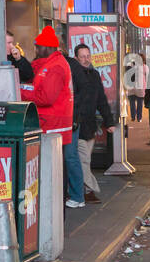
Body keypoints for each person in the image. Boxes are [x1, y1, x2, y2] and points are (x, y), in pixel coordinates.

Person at [22, 25, 83, 207]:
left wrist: (21, 92)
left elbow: (45, 97)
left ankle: (59, 203)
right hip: (53, 122)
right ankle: (59, 202)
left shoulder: (55, 67)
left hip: (53, 124)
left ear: (45, 48)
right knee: (57, 166)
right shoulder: (53, 64)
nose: (35, 50)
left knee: (55, 167)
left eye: (37, 47)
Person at [70, 43, 115, 204]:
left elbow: (101, 100)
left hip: (89, 127)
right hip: (77, 126)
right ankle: (89, 190)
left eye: (88, 56)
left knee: (84, 161)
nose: (86, 59)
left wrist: (109, 121)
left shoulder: (94, 75)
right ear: (76, 58)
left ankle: (79, 189)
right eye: (82, 56)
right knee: (83, 161)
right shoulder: (72, 75)